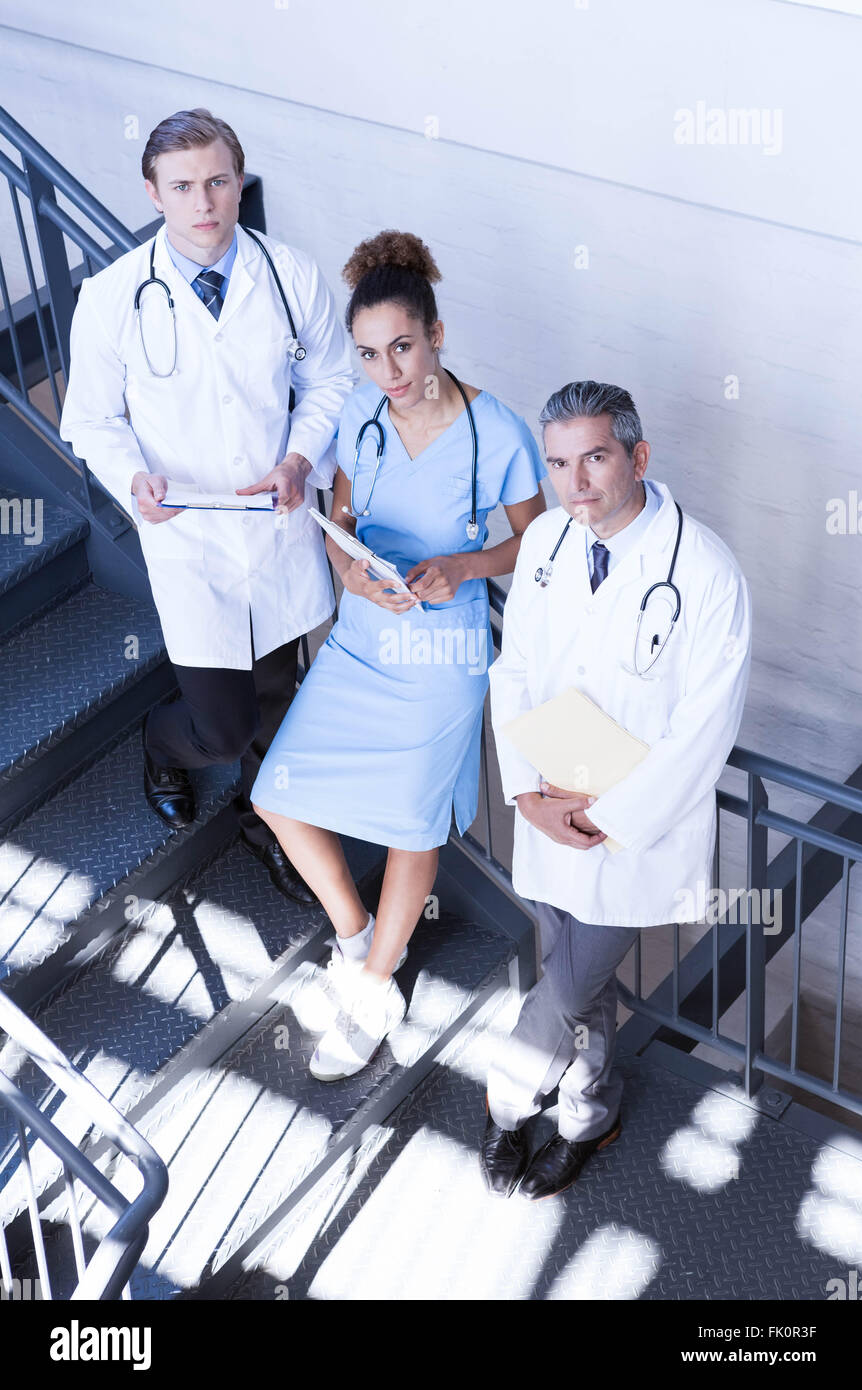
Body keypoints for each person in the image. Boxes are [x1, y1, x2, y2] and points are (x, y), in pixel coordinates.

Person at [251, 230, 548, 1080]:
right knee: (279, 793)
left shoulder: (497, 431)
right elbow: (337, 523)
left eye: (404, 348)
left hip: (445, 652)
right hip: (363, 640)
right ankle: (354, 939)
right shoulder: (359, 416)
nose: (389, 370)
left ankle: (377, 990)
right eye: (371, 354)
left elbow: (537, 546)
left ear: (437, 336)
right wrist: (352, 575)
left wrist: (464, 565)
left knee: (414, 825)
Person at [60, 108, 355, 903]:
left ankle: (268, 827)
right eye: (184, 185)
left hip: (277, 524)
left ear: (238, 181)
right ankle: (162, 742)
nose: (204, 201)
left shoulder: (289, 276)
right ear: (153, 192)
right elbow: (90, 418)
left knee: (280, 701)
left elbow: (329, 380)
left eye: (218, 181)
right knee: (221, 724)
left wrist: (300, 458)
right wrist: (132, 478)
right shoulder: (114, 297)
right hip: (189, 537)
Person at [480, 380, 752, 1200]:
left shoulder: (704, 572)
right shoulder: (545, 546)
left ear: (637, 456)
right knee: (582, 988)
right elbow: (515, 669)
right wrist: (527, 794)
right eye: (559, 463)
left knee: (564, 987)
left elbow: (706, 725)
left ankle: (504, 1096)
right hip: (547, 807)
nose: (576, 483)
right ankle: (588, 1115)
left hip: (629, 830)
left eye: (595, 458)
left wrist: (607, 814)